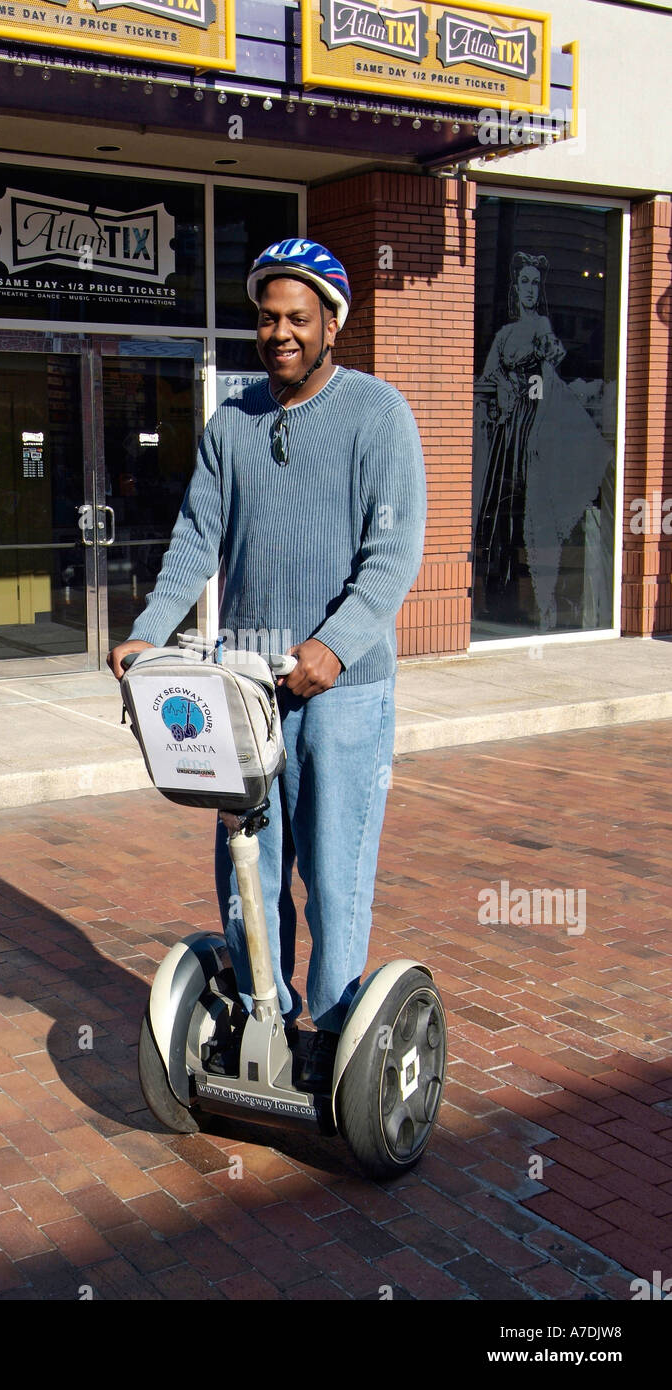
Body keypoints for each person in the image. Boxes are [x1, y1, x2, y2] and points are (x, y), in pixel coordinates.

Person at [107, 239, 426, 1089]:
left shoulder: (378, 415)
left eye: (297, 317)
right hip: (244, 686)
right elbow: (194, 542)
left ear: (332, 323)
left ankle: (333, 1032)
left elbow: (393, 556)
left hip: (344, 690)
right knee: (246, 862)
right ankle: (261, 1015)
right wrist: (148, 631)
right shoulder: (231, 423)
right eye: (267, 317)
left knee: (332, 872)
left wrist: (333, 645)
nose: (279, 332)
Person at [472, 251, 612, 631]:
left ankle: (538, 603)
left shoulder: (543, 326)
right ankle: (499, 598)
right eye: (525, 282)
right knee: (503, 513)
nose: (531, 289)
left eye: (536, 283)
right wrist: (500, 389)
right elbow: (485, 379)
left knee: (532, 511)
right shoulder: (504, 334)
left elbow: (553, 360)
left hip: (534, 428)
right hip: (508, 432)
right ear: (516, 288)